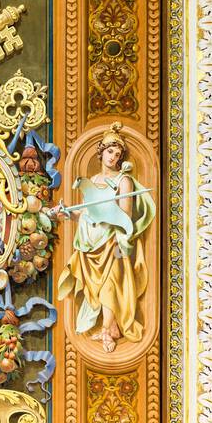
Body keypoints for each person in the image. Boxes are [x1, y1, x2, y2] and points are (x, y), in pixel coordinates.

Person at [56, 126, 155, 355]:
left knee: (111, 281)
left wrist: (104, 210)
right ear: (102, 153)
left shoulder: (124, 181)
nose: (114, 157)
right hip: (92, 240)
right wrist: (69, 213)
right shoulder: (93, 180)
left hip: (114, 239)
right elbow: (87, 213)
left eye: (118, 155)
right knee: (96, 287)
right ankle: (107, 325)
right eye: (111, 152)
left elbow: (125, 215)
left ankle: (107, 328)